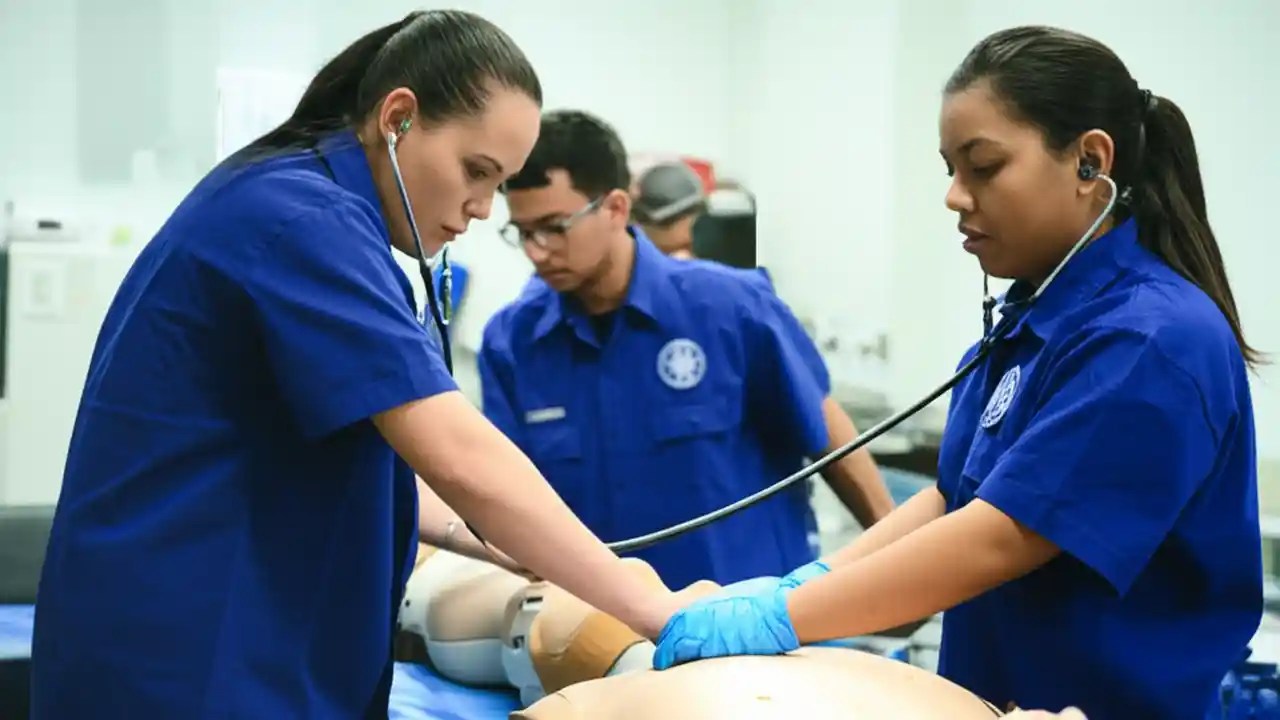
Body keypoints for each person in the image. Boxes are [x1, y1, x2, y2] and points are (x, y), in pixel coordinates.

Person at [29, 11, 684, 718]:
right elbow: (456, 454)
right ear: (397, 117)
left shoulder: (311, 213)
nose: (479, 208)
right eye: (476, 171)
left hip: (220, 641)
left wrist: (488, 538)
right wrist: (655, 609)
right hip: (193, 657)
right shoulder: (301, 221)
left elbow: (366, 461)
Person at [648, 25, 1264, 720]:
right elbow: (952, 499)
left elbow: (1000, 535)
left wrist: (785, 616)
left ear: (1091, 162)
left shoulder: (1152, 341)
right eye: (950, 168)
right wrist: (803, 585)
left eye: (983, 166)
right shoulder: (1028, 324)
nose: (954, 196)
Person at [477, 109, 894, 591]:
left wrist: (899, 559)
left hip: (755, 628)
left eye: (554, 227)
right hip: (607, 636)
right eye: (523, 233)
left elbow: (828, 437)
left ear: (615, 208)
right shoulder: (512, 344)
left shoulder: (732, 309)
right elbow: (506, 501)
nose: (537, 250)